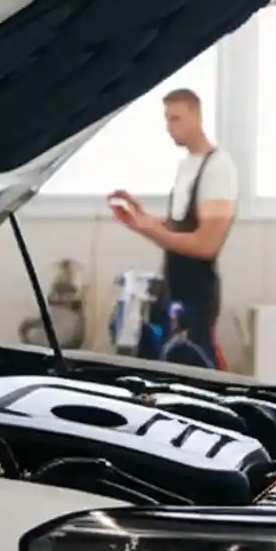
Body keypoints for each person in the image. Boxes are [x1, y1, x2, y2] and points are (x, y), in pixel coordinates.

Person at [108, 88, 237, 370]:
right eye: (167, 119)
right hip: (175, 289)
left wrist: (150, 230)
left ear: (197, 116)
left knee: (196, 378)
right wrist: (140, 218)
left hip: (197, 295)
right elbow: (179, 228)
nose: (169, 128)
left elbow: (206, 245)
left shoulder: (217, 167)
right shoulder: (187, 165)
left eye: (176, 118)